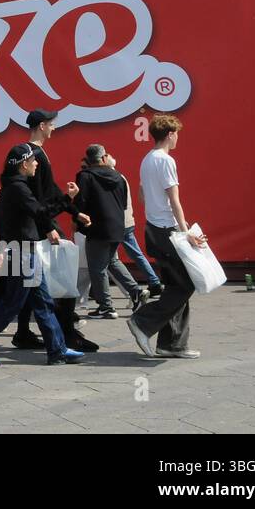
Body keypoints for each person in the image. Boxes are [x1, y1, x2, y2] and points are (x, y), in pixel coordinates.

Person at [0, 109, 91, 350]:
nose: (54, 128)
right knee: (29, 286)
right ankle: (62, 334)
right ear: (41, 126)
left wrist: (73, 210)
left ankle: (40, 337)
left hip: (32, 227)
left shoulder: (34, 155)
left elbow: (47, 191)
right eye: (51, 124)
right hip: (33, 227)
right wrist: (50, 226)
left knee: (27, 288)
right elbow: (36, 200)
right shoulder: (31, 154)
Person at [0, 144, 85, 366]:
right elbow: (40, 212)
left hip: (26, 253)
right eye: (33, 161)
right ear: (23, 165)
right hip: (22, 255)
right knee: (13, 304)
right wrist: (67, 199)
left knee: (43, 303)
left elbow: (36, 211)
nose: (37, 163)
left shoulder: (16, 186)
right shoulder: (18, 189)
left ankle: (57, 349)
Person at [127, 115, 205, 359]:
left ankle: (171, 344)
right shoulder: (166, 160)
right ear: (170, 134)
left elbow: (142, 195)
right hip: (167, 230)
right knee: (185, 285)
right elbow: (175, 200)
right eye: (177, 133)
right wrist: (186, 233)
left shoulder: (147, 159)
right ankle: (142, 321)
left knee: (175, 285)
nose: (178, 138)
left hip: (153, 228)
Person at [75, 145, 147, 318]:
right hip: (117, 227)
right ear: (104, 158)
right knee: (112, 262)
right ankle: (135, 291)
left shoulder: (85, 176)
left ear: (88, 160)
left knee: (97, 268)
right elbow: (123, 203)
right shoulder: (118, 176)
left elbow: (81, 202)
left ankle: (106, 307)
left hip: (97, 227)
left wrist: (78, 219)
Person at [117, 171, 162, 297]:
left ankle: (136, 290)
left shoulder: (112, 178)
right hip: (125, 222)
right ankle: (153, 282)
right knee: (135, 254)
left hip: (119, 223)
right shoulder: (120, 177)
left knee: (109, 260)